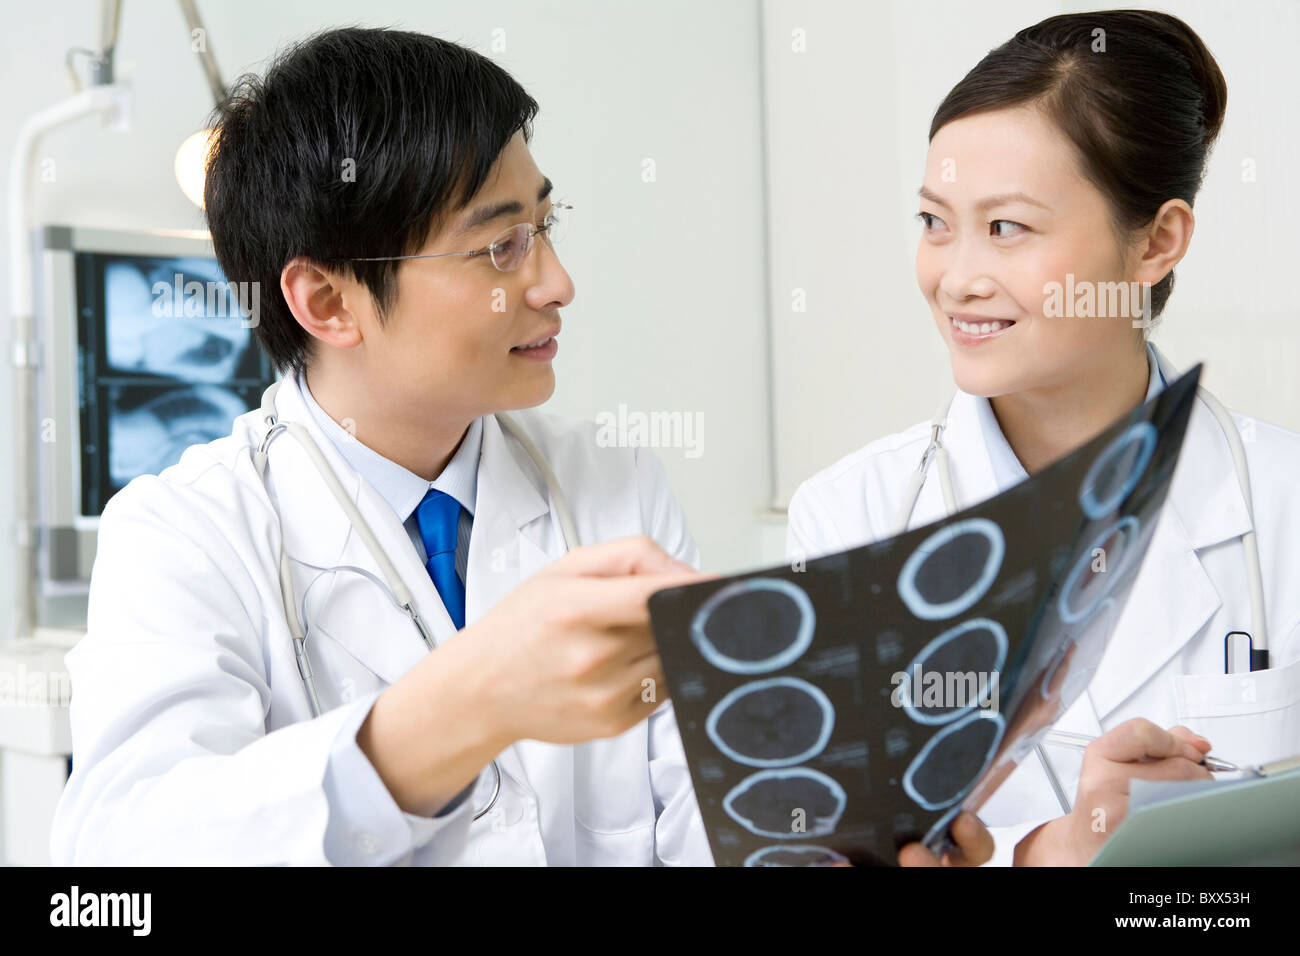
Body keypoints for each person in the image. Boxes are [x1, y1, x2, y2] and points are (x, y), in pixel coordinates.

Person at [52, 27, 989, 867]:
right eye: (500, 248)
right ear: (328, 302)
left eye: (543, 226)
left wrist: (830, 838)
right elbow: (119, 858)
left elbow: (701, 814)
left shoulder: (612, 487)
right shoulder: (186, 532)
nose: (556, 283)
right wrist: (465, 704)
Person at [787, 10, 1300, 866]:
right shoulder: (849, 519)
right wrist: (1044, 856)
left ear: (1157, 242)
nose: (957, 278)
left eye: (1008, 228)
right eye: (934, 221)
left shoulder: (1283, 504)